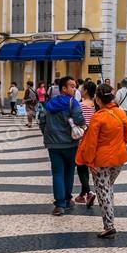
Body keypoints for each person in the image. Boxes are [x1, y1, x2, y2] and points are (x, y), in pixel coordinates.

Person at [75, 82, 127, 238]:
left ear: (98, 99)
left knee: (103, 190)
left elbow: (91, 143)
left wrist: (90, 162)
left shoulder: (98, 117)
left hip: (102, 159)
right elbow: (126, 136)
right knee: (108, 187)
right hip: (119, 158)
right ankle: (109, 221)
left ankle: (109, 225)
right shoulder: (121, 113)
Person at [38, 76, 86, 215]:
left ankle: (59, 205)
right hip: (70, 143)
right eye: (71, 86)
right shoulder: (73, 103)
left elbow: (41, 120)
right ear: (63, 88)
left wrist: (47, 134)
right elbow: (79, 120)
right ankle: (67, 199)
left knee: (57, 173)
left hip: (53, 144)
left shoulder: (50, 103)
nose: (74, 88)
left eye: (75, 86)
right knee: (69, 171)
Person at [73, 80, 98, 207]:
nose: (80, 91)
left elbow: (76, 121)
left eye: (82, 89)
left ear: (86, 91)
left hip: (82, 139)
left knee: (81, 166)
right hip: (93, 140)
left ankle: (88, 192)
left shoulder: (79, 105)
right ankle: (82, 195)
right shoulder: (96, 106)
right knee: (86, 167)